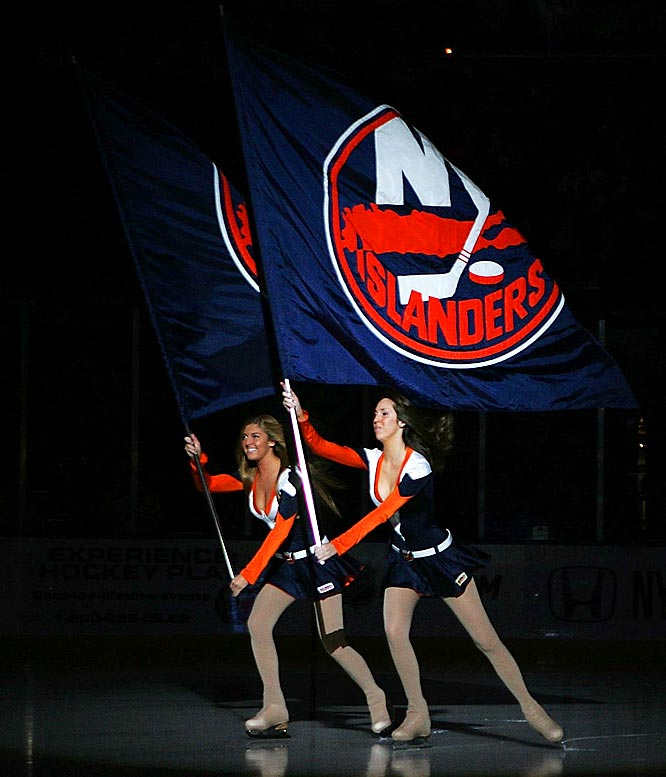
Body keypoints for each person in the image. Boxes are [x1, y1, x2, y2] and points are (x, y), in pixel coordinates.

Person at [282, 385, 564, 746]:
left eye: (384, 413)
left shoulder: (418, 465)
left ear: (401, 422)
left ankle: (532, 708)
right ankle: (418, 714)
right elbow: (320, 447)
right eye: (375, 413)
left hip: (440, 560)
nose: (376, 418)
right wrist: (301, 415)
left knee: (485, 640)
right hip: (405, 562)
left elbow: (385, 511)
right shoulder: (372, 459)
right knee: (395, 633)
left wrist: (338, 545)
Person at [184, 414, 392, 738]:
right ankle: (275, 707)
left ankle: (375, 697)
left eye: (255, 436)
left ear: (271, 441)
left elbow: (281, 530)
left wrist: (249, 575)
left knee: (333, 642)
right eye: (244, 437)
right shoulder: (252, 478)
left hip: (317, 562)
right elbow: (207, 485)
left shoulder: (292, 479)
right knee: (258, 624)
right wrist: (200, 459)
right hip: (288, 567)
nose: (248, 442)